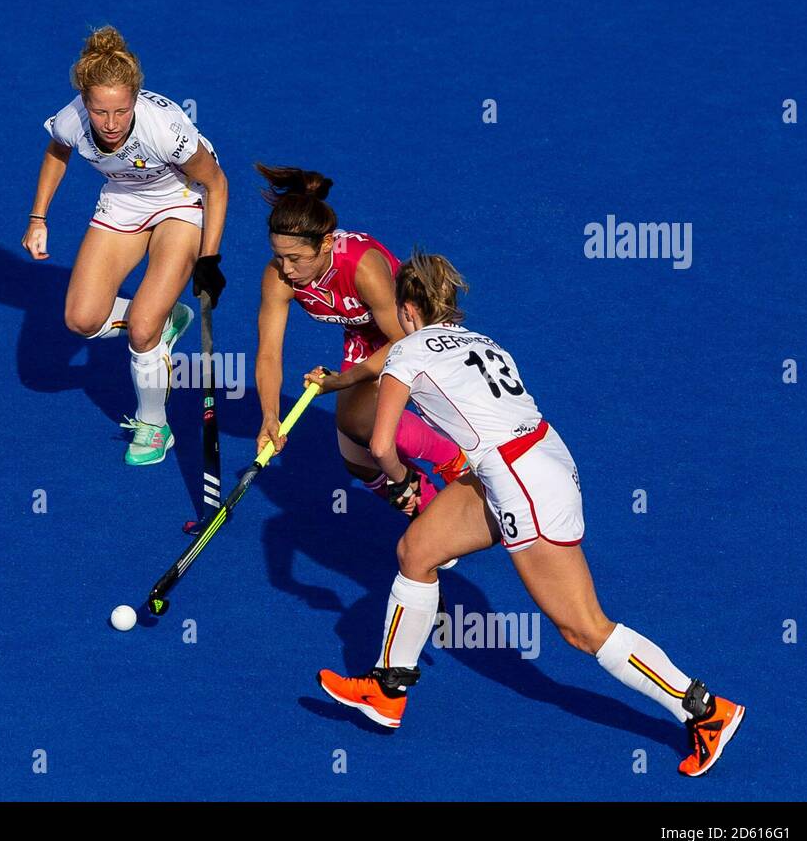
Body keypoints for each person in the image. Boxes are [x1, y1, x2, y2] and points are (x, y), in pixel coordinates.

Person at [317, 249, 745, 777]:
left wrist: (404, 483)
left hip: (521, 484)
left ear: (407, 311)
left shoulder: (407, 351)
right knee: (417, 550)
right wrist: (341, 381)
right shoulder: (480, 341)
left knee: (583, 628)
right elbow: (394, 366)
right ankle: (387, 689)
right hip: (538, 459)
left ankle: (703, 709)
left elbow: (381, 443)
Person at [23, 26, 228, 466]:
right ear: (85, 102)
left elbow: (216, 183)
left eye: (121, 110)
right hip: (123, 200)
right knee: (81, 319)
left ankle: (155, 425)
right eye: (100, 112)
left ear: (135, 98)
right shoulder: (71, 119)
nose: (111, 124)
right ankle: (164, 319)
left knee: (140, 330)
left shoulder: (166, 129)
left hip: (181, 197)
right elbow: (56, 152)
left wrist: (209, 259)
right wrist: (38, 217)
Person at [253, 166, 468, 516]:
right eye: (279, 256)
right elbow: (268, 354)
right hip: (367, 338)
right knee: (359, 463)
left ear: (325, 244)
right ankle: (430, 511)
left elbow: (402, 341)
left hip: (415, 334)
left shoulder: (362, 268)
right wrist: (269, 416)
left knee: (359, 422)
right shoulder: (279, 278)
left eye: (296, 258)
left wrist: (342, 382)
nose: (287, 269)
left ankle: (452, 457)